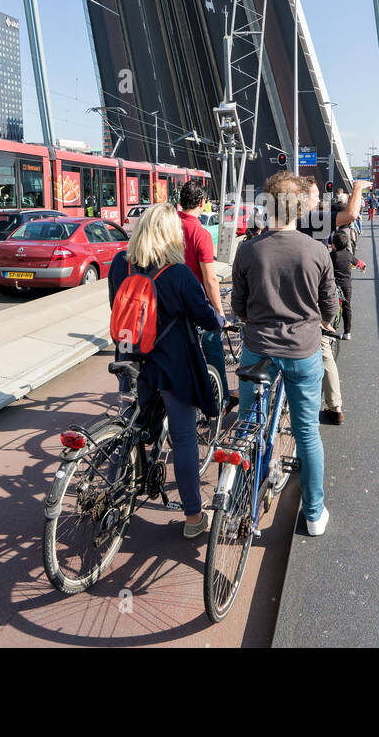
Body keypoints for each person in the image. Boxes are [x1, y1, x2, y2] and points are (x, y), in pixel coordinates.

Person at [108, 203, 226, 538]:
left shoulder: (120, 264)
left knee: (129, 425)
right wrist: (220, 320)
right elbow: (203, 315)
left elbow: (116, 305)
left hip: (130, 356)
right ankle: (192, 518)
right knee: (185, 437)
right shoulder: (177, 273)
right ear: (171, 235)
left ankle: (116, 486)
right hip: (171, 365)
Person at [232, 171, 338, 537]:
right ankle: (313, 514)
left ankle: (239, 503)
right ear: (301, 209)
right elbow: (329, 308)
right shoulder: (317, 251)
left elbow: (239, 305)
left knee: (247, 427)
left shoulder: (248, 249)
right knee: (307, 432)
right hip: (301, 351)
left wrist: (253, 317)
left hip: (257, 349)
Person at [177, 179, 234, 413]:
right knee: (213, 344)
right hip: (194, 302)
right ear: (202, 203)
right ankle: (220, 397)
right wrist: (220, 314)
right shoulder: (200, 233)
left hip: (169, 301)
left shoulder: (169, 226)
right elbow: (210, 279)